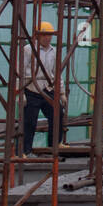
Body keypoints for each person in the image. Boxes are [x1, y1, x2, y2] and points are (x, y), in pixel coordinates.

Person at [20, 20, 67, 153]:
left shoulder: (54, 51)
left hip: (48, 89)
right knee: (29, 122)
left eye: (50, 35)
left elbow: (57, 73)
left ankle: (55, 144)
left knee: (57, 115)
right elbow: (20, 71)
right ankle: (24, 151)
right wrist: (20, 92)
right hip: (32, 90)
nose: (48, 38)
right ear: (37, 35)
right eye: (45, 35)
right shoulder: (28, 50)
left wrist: (62, 93)